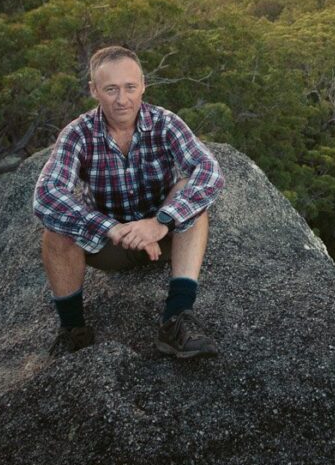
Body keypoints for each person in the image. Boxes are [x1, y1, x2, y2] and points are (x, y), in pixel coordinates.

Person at [33, 45, 225, 358]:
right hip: (109, 244)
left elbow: (210, 172)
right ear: (94, 90)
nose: (122, 99)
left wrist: (160, 222)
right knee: (55, 231)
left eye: (130, 87)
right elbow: (46, 195)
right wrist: (110, 228)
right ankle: (74, 330)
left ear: (143, 86)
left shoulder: (165, 123)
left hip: (161, 238)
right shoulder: (78, 133)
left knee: (192, 200)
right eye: (111, 89)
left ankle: (176, 320)